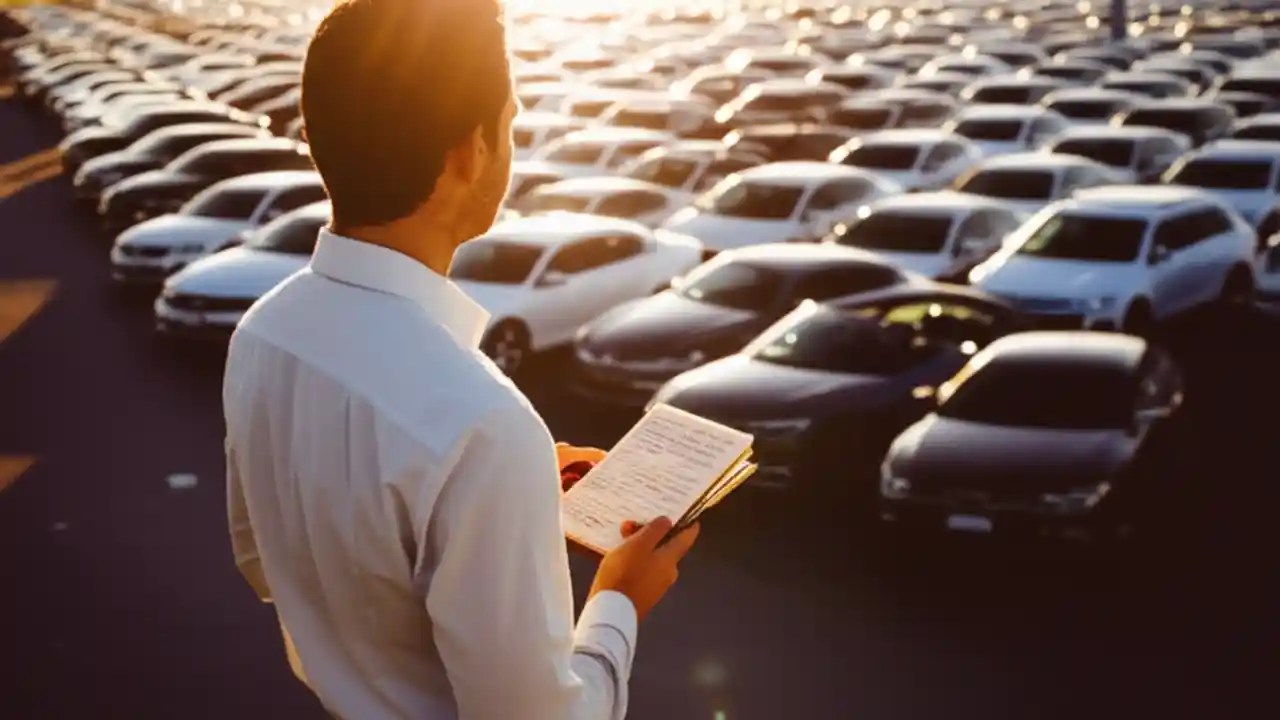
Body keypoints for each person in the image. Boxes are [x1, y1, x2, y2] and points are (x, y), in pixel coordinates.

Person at [221, 1, 700, 718]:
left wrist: (505, 502)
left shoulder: (264, 332)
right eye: (510, 122)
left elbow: (265, 563)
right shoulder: (484, 428)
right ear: (469, 152)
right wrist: (618, 602)